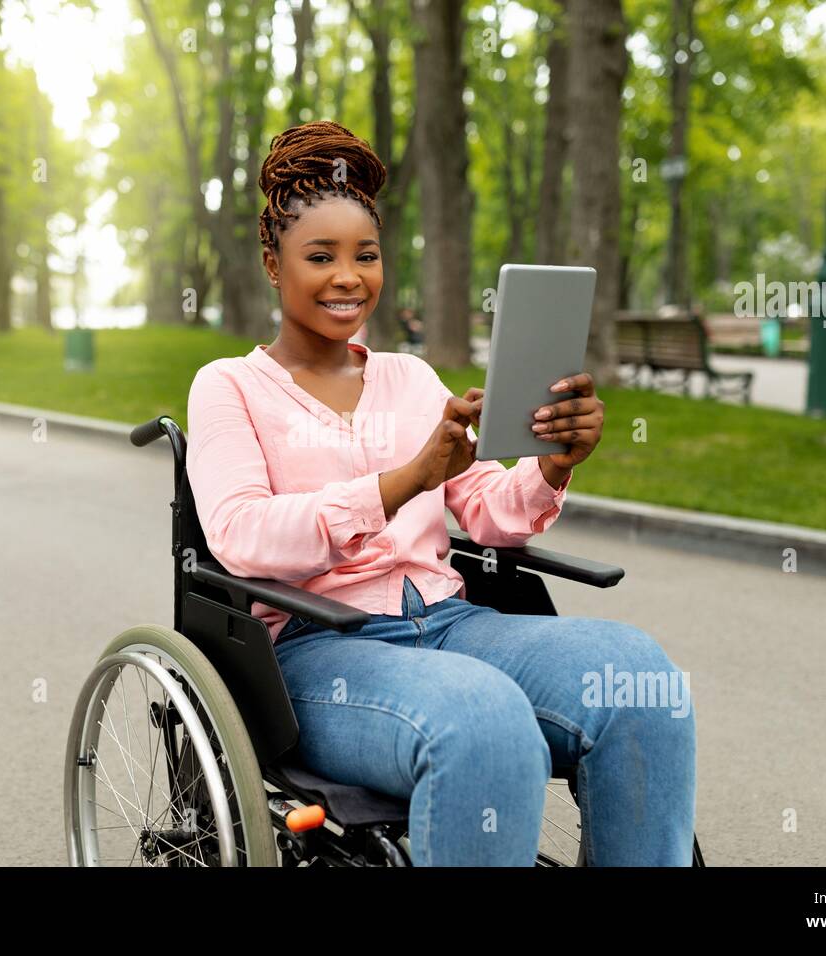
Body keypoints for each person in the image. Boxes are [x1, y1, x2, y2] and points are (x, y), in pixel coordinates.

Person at [185, 120, 695, 866]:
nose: (348, 277)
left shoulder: (410, 379)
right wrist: (400, 484)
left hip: (452, 622)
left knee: (642, 681)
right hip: (316, 648)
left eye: (366, 255)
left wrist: (554, 463)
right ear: (273, 263)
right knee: (483, 724)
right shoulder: (228, 387)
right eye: (319, 256)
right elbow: (240, 535)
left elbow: (492, 512)